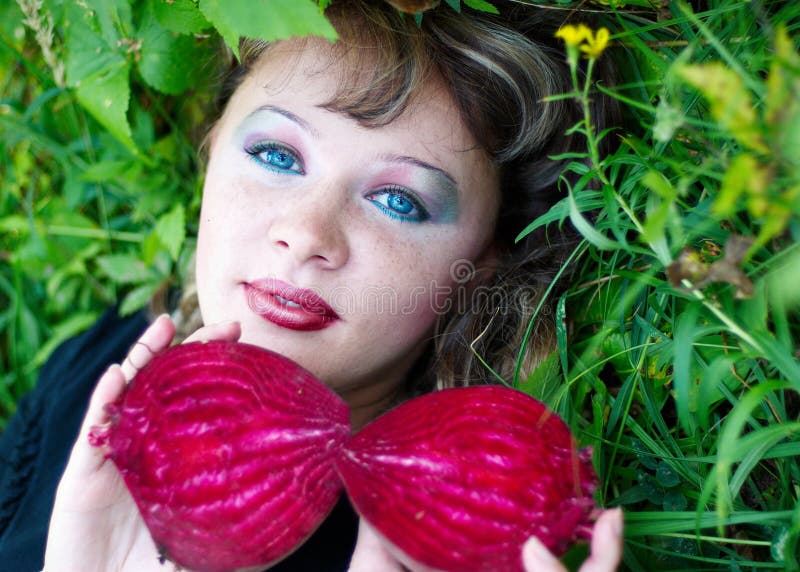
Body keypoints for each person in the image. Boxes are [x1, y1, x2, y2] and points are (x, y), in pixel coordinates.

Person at [0, 0, 624, 570]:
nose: (306, 233)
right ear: (212, 147)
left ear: (481, 265)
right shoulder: (93, 371)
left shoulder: (460, 546)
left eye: (398, 201)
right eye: (276, 156)